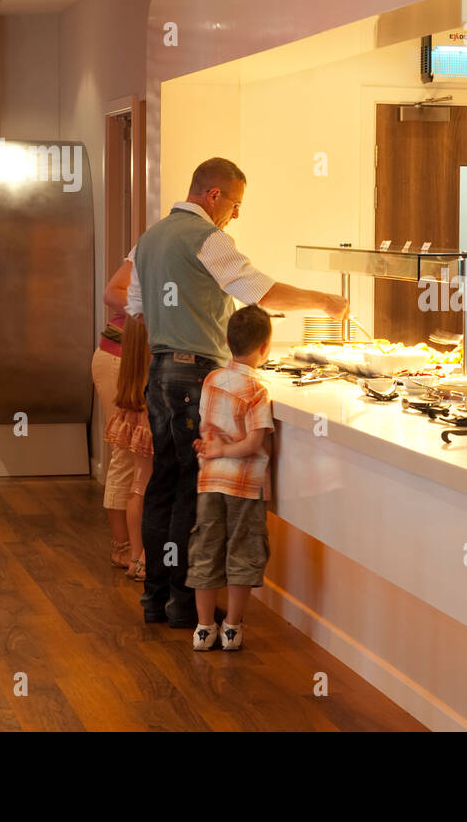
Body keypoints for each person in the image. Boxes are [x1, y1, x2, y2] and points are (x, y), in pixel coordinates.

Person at [125, 156, 346, 629]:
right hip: (193, 376)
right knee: (191, 489)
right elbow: (259, 292)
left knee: (163, 483)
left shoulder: (150, 238)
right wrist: (324, 301)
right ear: (214, 195)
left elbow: (137, 309)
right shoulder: (208, 238)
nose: (237, 214)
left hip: (159, 372)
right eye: (236, 203)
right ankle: (184, 604)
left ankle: (155, 598)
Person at [188, 304, 274, 652]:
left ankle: (204, 627)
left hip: (210, 481)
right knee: (243, 552)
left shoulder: (211, 379)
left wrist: (216, 448)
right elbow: (253, 443)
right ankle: (232, 629)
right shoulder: (258, 390)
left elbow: (207, 426)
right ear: (265, 347)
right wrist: (226, 448)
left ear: (226, 341)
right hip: (245, 486)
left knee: (205, 549)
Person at [103, 316, 152, 581]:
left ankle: (133, 556)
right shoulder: (154, 372)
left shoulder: (131, 369)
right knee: (152, 490)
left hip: (134, 415)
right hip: (150, 423)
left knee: (137, 487)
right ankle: (145, 557)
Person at [92, 257, 133, 568]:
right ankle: (123, 548)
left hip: (125, 358)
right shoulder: (150, 247)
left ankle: (134, 547)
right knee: (126, 451)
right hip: (121, 357)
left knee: (133, 453)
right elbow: (112, 294)